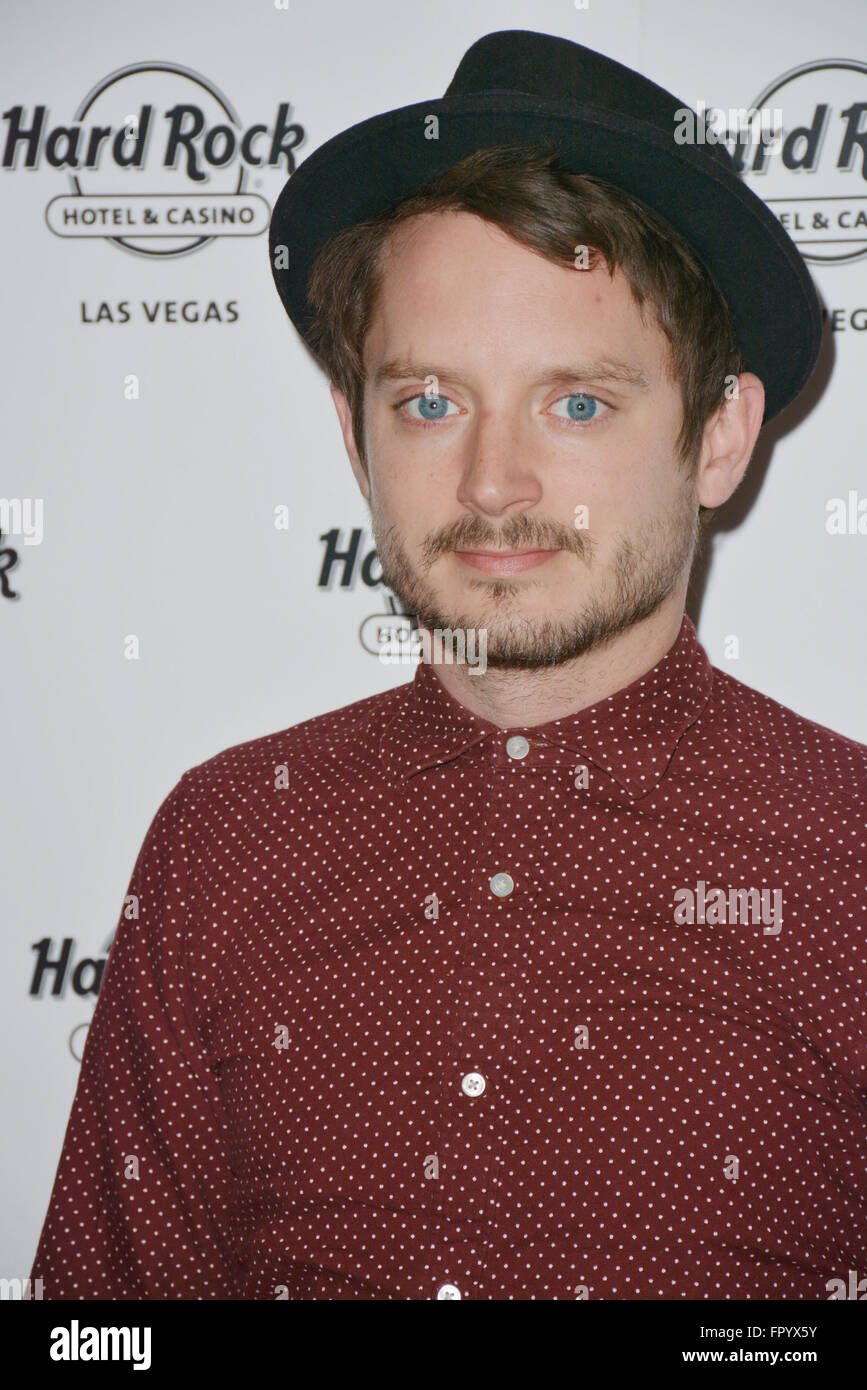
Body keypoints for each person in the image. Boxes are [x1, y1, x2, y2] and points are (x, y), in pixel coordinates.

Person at [31, 29, 866, 1300]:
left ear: (718, 436)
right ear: (356, 438)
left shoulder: (847, 863)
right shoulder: (225, 845)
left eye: (576, 403)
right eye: (429, 401)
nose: (491, 481)